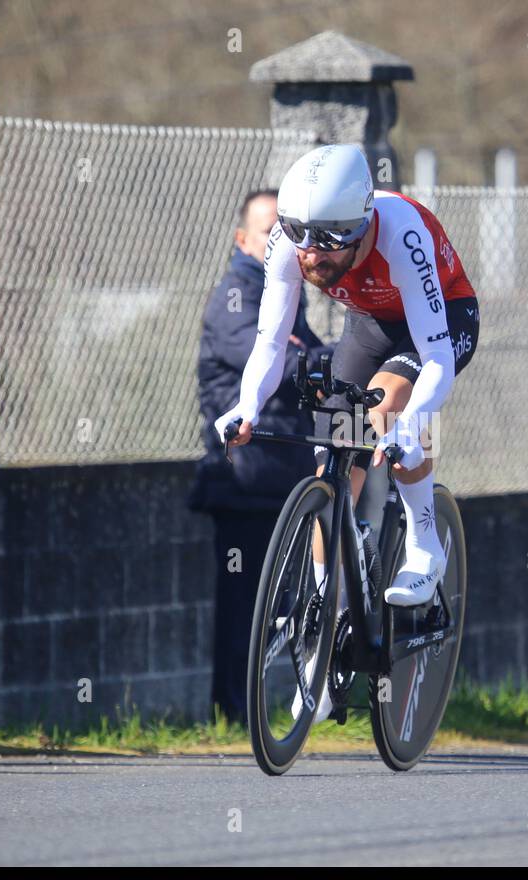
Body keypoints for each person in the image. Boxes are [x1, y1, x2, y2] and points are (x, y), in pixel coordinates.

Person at [213, 144, 480, 722]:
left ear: (362, 225)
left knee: (386, 411)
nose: (312, 253)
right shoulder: (290, 242)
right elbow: (269, 339)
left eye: (330, 239)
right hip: (373, 325)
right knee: (332, 465)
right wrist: (247, 407)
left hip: (440, 324)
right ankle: (325, 618)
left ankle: (424, 544)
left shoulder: (401, 234)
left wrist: (410, 425)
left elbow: (434, 355)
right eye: (300, 234)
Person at [189, 189, 331, 723]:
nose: (282, 239)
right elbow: (280, 363)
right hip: (246, 483)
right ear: (243, 239)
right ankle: (233, 714)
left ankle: (265, 709)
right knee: (244, 609)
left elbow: (312, 359)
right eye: (270, 229)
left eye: (287, 228)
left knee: (276, 606)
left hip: (280, 480)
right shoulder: (237, 296)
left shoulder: (284, 294)